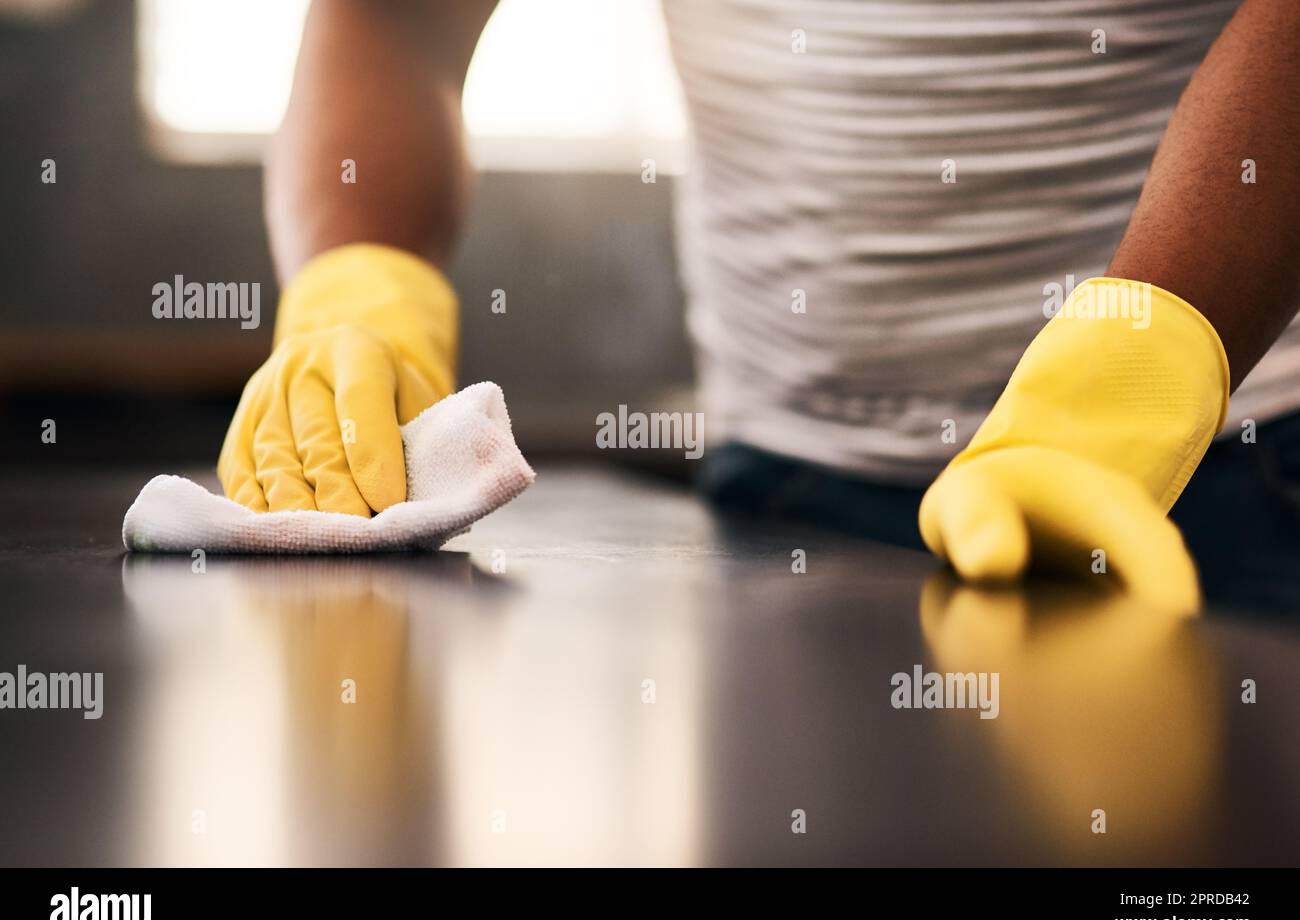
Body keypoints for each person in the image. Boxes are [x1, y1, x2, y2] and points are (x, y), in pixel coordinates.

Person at [219, 0, 1300, 614]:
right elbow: (398, 24)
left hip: (1228, 477)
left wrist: (1127, 389)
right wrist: (357, 289)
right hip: (784, 492)